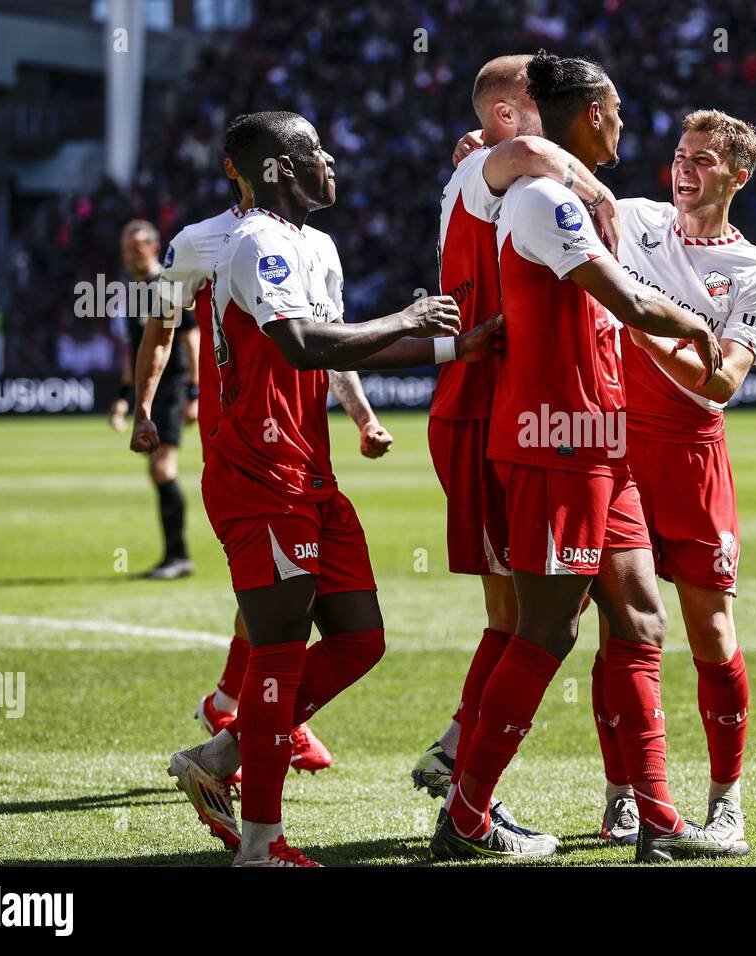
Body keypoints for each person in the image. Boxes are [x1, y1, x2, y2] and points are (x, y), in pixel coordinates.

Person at [428, 51, 745, 863]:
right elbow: (630, 300)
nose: (625, 126)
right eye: (617, 111)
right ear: (591, 113)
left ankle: (657, 815)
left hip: (603, 441)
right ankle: (465, 813)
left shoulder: (569, 195)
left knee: (642, 616)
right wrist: (699, 326)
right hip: (551, 439)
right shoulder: (539, 200)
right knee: (544, 630)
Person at [165, 110, 499, 867]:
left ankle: (221, 756)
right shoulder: (253, 242)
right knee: (279, 653)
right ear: (281, 168)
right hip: (259, 473)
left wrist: (452, 345)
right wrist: (411, 315)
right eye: (317, 150)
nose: (332, 161)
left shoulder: (315, 244)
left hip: (309, 471)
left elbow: (343, 345)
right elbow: (298, 342)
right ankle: (260, 843)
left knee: (359, 638)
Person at [131, 135, 393, 780]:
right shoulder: (203, 242)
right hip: (246, 448)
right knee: (282, 610)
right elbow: (162, 324)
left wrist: (362, 416)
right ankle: (255, 730)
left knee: (289, 608)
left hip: (304, 451)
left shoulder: (313, 242)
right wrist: (143, 406)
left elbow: (329, 341)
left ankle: (234, 710)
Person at [410, 54, 621, 844]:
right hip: (480, 410)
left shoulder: (488, 176)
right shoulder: (491, 175)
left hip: (498, 408)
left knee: (521, 614)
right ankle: (468, 790)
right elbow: (532, 154)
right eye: (540, 104)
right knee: (524, 616)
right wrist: (595, 190)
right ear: (507, 114)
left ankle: (463, 764)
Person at [594, 109, 756, 847]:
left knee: (710, 629)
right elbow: (566, 185)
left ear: (737, 175)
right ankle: (623, 794)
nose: (685, 167)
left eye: (703, 159)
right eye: (679, 154)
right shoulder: (635, 218)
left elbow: (723, 381)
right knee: (620, 632)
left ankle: (726, 802)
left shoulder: (753, 272)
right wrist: (493, 150)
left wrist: (640, 319)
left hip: (691, 452)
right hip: (614, 448)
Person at [110, 220, 198, 579]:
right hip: (152, 389)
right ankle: (175, 557)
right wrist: (124, 397)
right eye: (126, 247)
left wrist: (196, 392)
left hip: (175, 384)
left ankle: (178, 557)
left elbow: (191, 339)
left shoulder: (168, 284)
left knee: (162, 468)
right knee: (156, 469)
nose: (130, 253)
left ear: (152, 246)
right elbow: (137, 353)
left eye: (136, 246)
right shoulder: (133, 292)